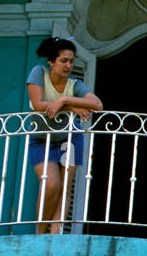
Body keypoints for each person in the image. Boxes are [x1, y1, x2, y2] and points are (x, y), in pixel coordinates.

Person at [26, 37, 103, 234]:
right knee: (51, 184)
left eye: (71, 61)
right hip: (42, 140)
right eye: (63, 61)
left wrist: (65, 99)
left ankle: (55, 236)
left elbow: (97, 104)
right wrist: (72, 106)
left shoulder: (74, 84)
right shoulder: (39, 73)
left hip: (70, 139)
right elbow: (39, 105)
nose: (68, 65)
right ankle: (40, 235)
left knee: (65, 189)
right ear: (51, 61)